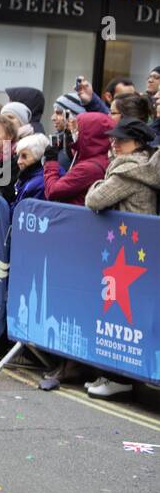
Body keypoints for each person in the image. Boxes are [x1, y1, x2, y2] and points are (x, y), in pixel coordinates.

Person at [80, 117, 159, 400]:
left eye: (120, 140)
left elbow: (94, 200)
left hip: (131, 256)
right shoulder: (137, 167)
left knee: (124, 316)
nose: (113, 144)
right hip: (130, 254)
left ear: (137, 144)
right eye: (112, 139)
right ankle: (112, 374)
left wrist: (99, 182)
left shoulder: (129, 171)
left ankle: (119, 378)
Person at [42, 111, 110, 206]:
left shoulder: (88, 168)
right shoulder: (99, 157)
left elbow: (53, 191)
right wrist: (71, 144)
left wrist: (50, 162)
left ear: (89, 134)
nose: (73, 132)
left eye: (77, 129)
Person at [11, 133, 48, 208]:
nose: (19, 161)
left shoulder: (38, 184)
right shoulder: (26, 177)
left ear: (39, 157)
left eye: (24, 156)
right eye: (18, 156)